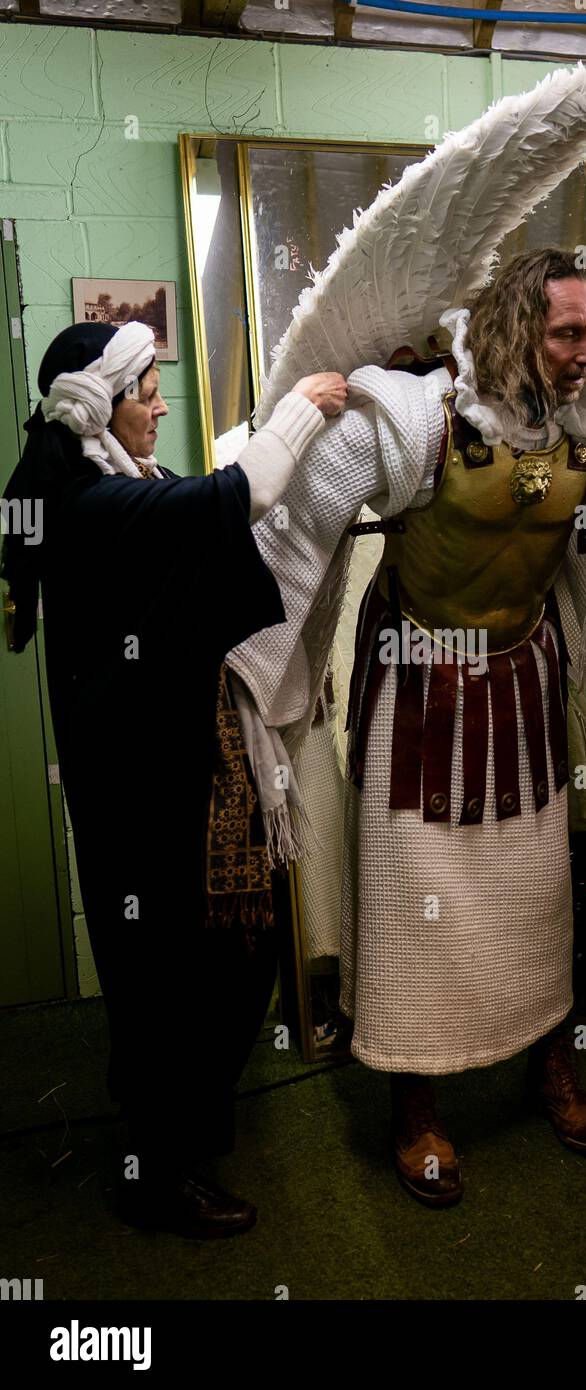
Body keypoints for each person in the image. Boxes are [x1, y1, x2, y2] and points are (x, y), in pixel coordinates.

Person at [1, 320, 345, 1237]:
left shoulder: (121, 482)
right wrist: (305, 409)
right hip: (138, 794)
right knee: (162, 978)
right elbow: (246, 490)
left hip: (169, 765)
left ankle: (178, 1142)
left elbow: (205, 509)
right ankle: (155, 1176)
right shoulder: (87, 505)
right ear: (93, 404)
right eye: (146, 387)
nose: (160, 402)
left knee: (216, 958)